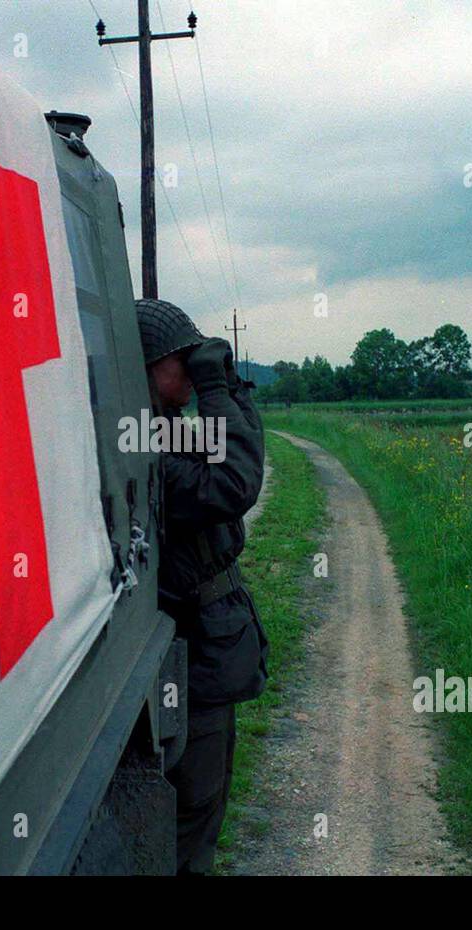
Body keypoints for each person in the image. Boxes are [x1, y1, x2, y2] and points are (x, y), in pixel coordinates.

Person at [134, 297, 269, 875]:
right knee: (193, 806)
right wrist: (213, 382)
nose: (190, 372)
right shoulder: (141, 444)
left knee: (207, 800)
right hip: (193, 654)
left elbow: (240, 453)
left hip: (209, 647)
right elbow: (236, 482)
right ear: (145, 367)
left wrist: (230, 389)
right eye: (180, 361)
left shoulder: (164, 428)